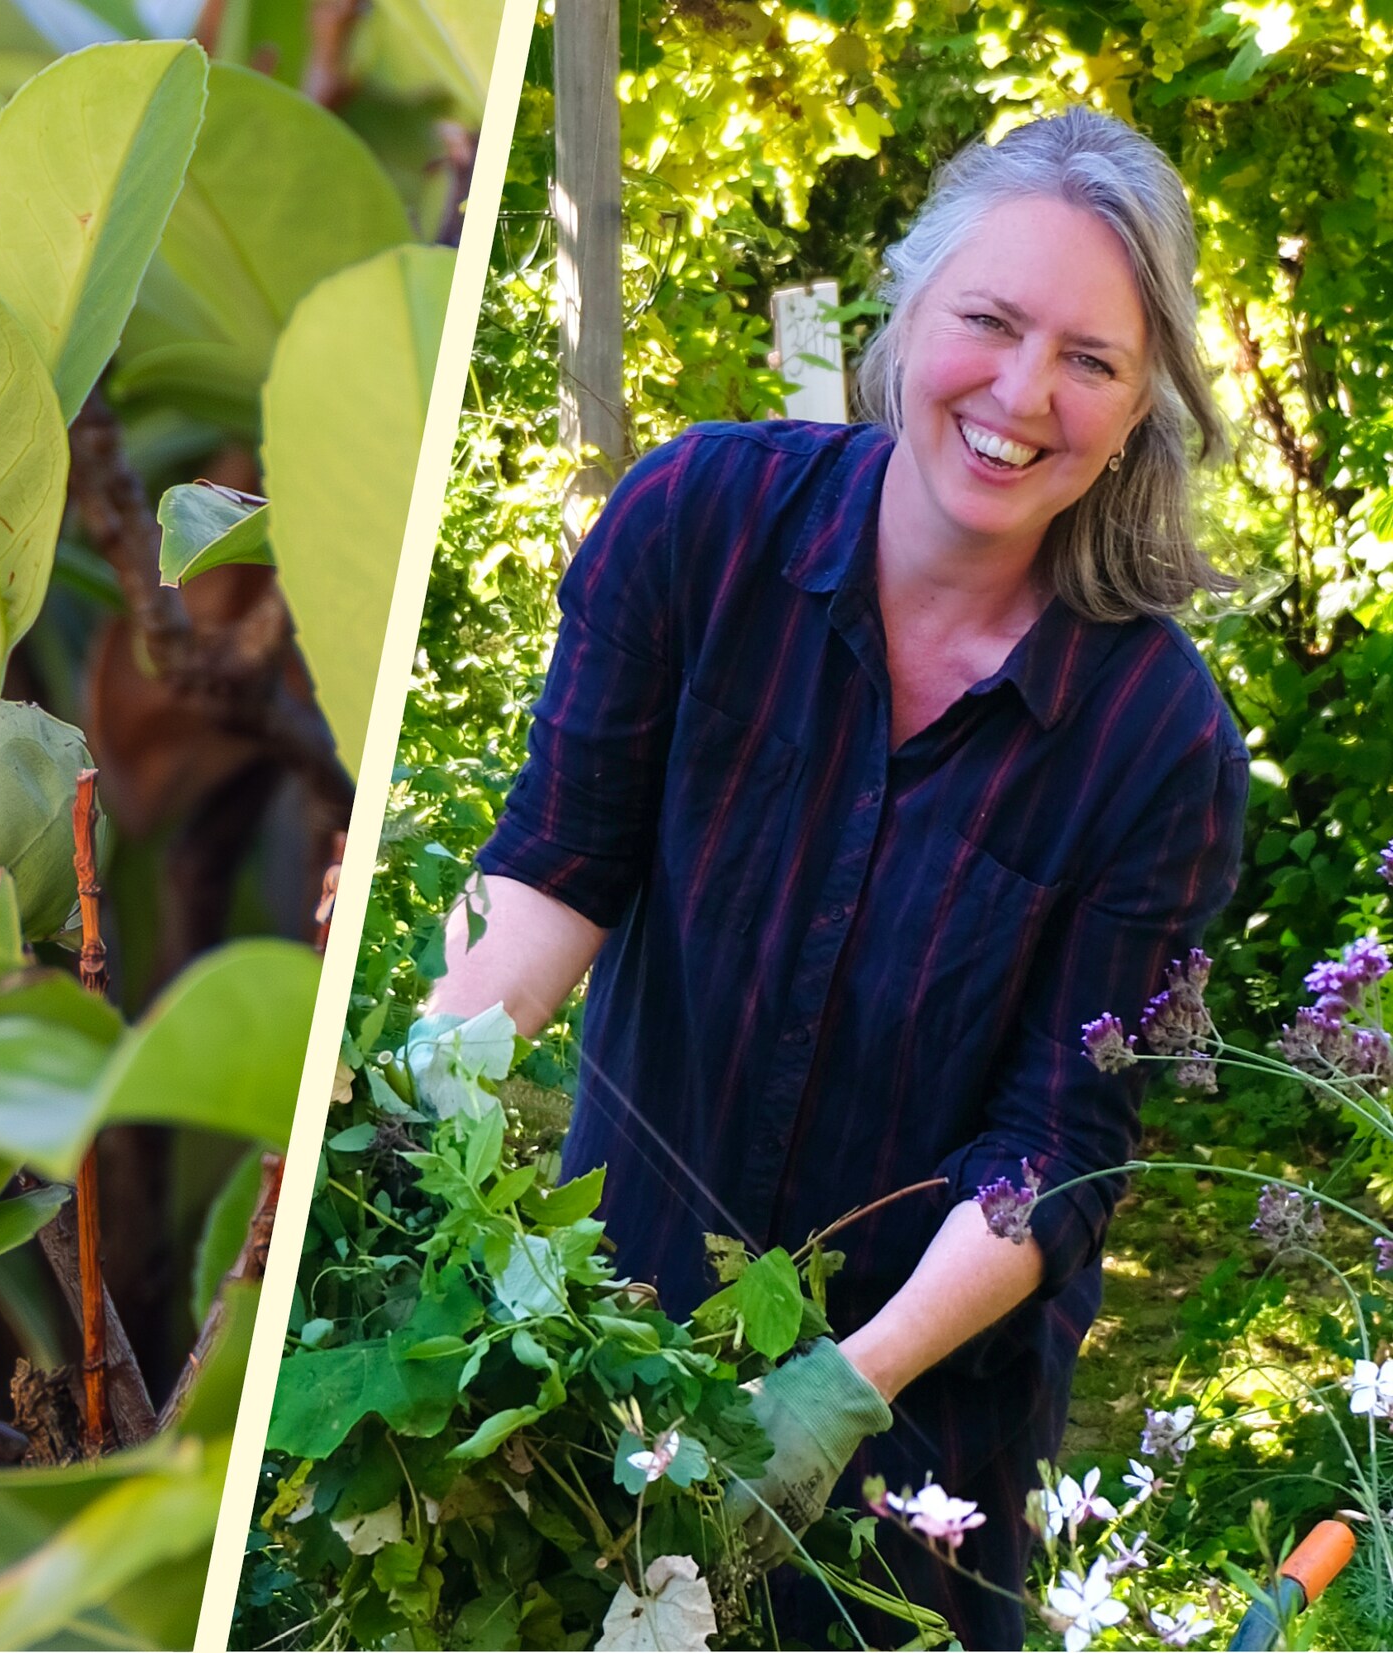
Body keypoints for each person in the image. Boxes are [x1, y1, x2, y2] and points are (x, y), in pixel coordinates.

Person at [417, 108, 1247, 1646]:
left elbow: (1053, 1146)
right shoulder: (700, 528)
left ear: (1137, 408)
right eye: (989, 323)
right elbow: (559, 865)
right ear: (903, 309)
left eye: (1090, 359)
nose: (1021, 395)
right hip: (615, 1346)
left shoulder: (1155, 742)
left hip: (914, 1446)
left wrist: (840, 1383)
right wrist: (436, 1074)